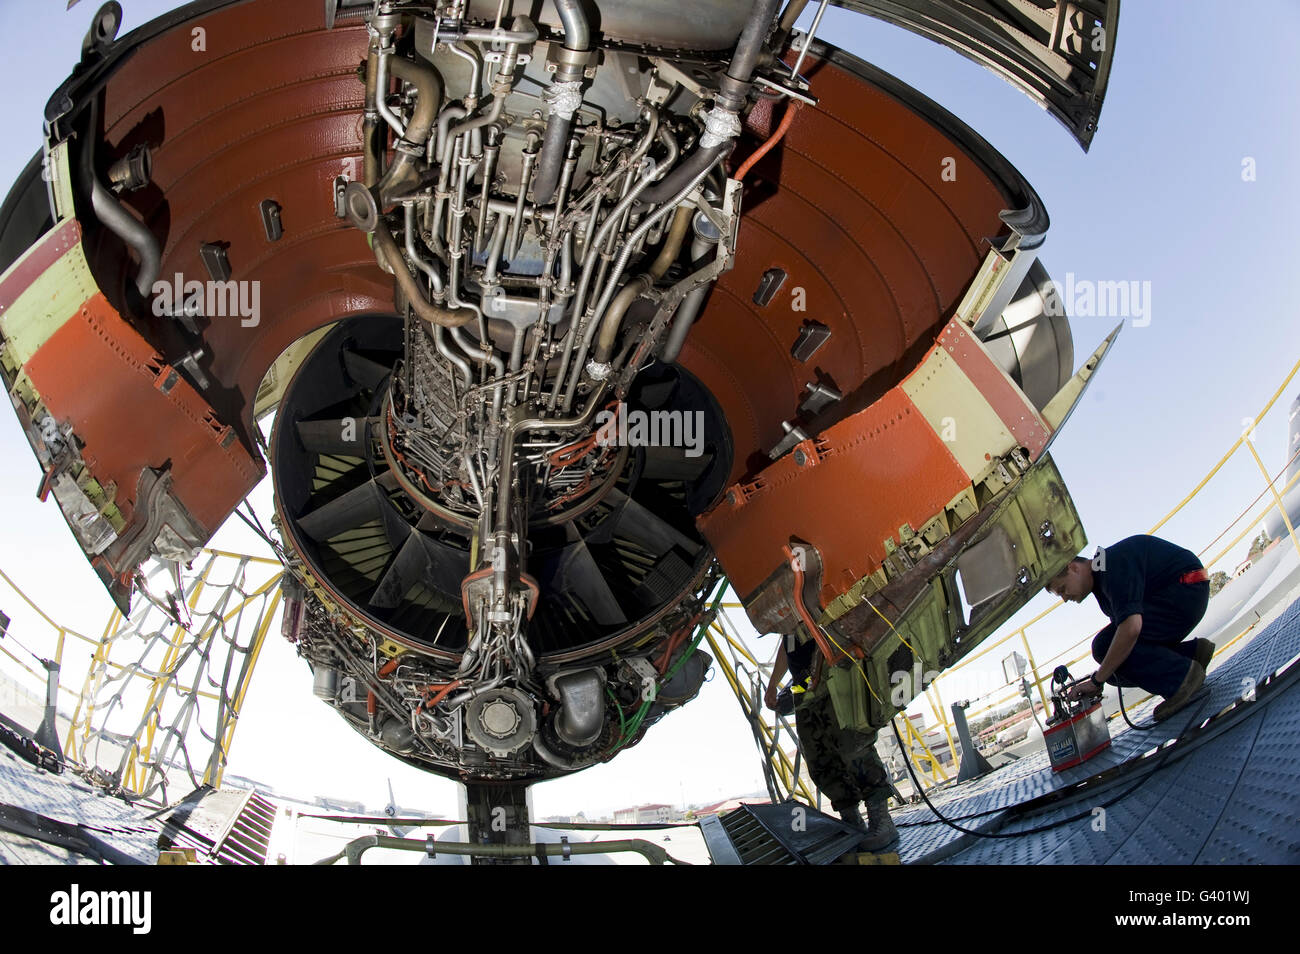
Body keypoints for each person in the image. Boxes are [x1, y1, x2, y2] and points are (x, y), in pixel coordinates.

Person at [1046, 534, 1215, 720]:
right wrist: (1100, 677)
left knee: (1104, 647)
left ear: (1074, 568)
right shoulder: (1102, 577)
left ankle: (1181, 680)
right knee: (1112, 666)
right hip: (1183, 593)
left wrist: (1096, 681)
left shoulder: (1111, 564)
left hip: (1186, 592)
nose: (1065, 598)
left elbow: (1131, 629)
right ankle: (1192, 654)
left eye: (1062, 589)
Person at [764, 627, 898, 851]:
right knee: (818, 756)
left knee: (851, 744)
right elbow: (786, 647)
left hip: (830, 675)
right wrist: (772, 686)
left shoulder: (806, 596)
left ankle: (881, 819)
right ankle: (851, 820)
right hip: (802, 686)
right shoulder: (785, 618)